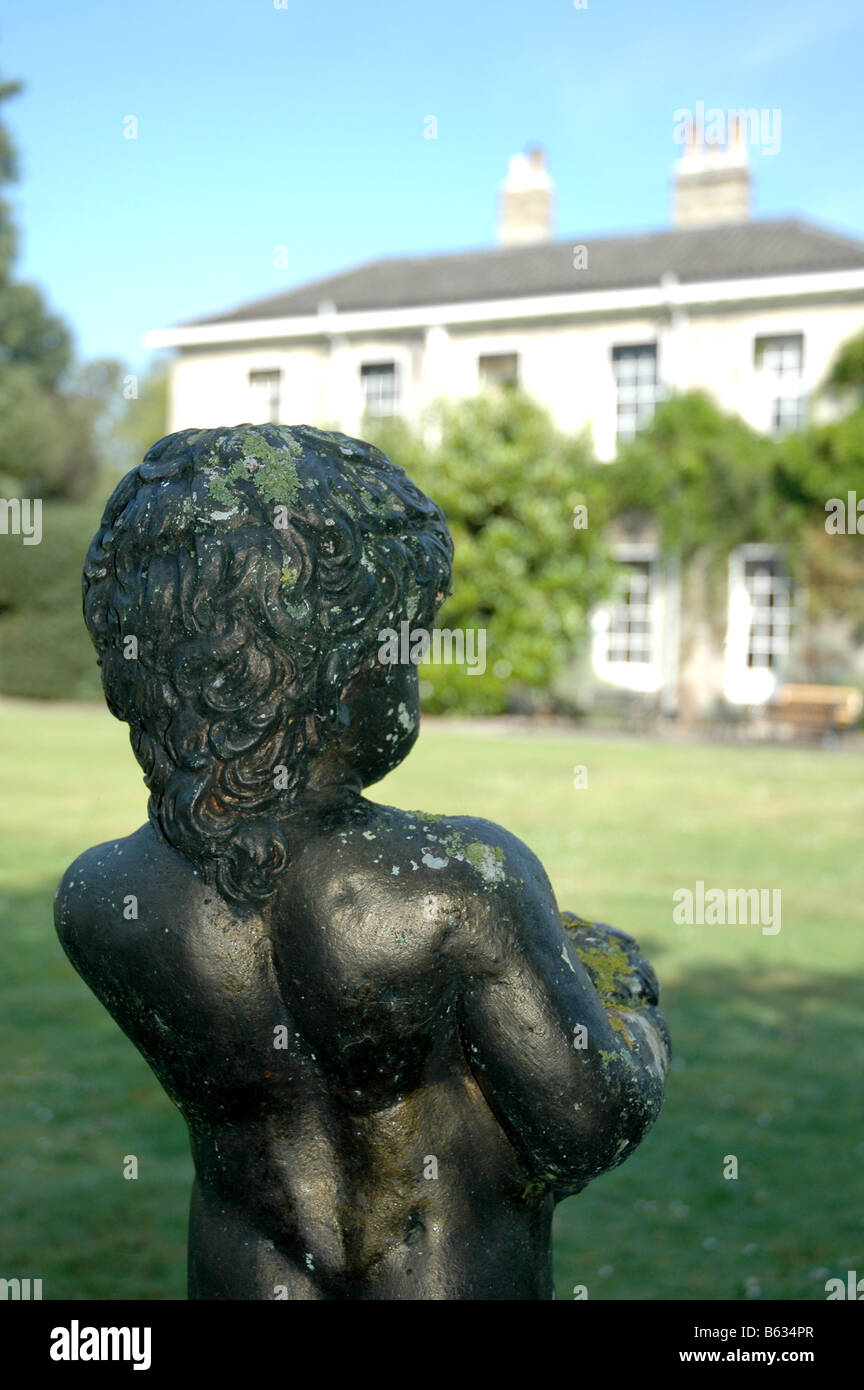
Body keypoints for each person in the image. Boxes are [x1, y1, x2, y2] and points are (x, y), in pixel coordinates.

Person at [56, 423, 669, 1300]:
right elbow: (585, 1124)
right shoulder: (460, 884)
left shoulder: (99, 898)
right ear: (333, 667)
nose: (414, 672)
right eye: (406, 645)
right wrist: (628, 995)